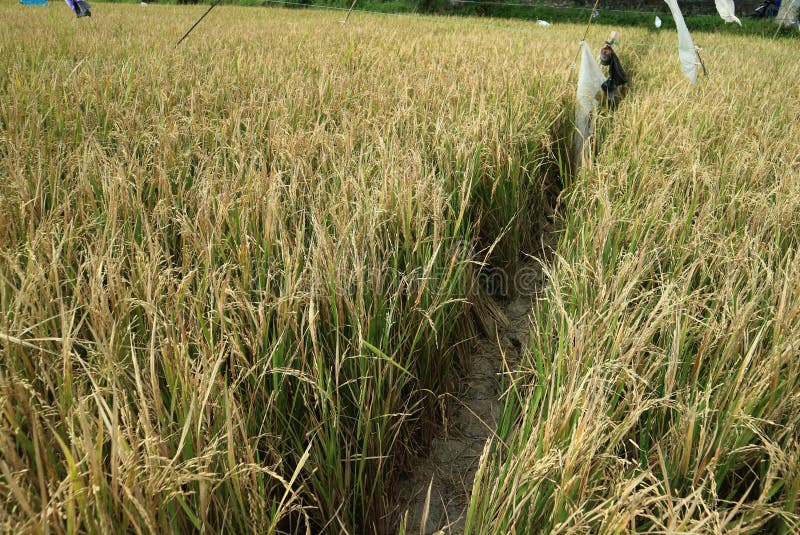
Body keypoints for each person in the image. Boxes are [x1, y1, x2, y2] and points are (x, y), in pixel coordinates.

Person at [598, 37, 627, 110]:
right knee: (608, 98)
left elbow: (613, 36)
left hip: (611, 84)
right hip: (605, 84)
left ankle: (612, 109)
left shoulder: (612, 61)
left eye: (606, 49)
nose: (605, 49)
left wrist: (610, 42)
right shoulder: (604, 61)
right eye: (605, 50)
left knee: (612, 98)